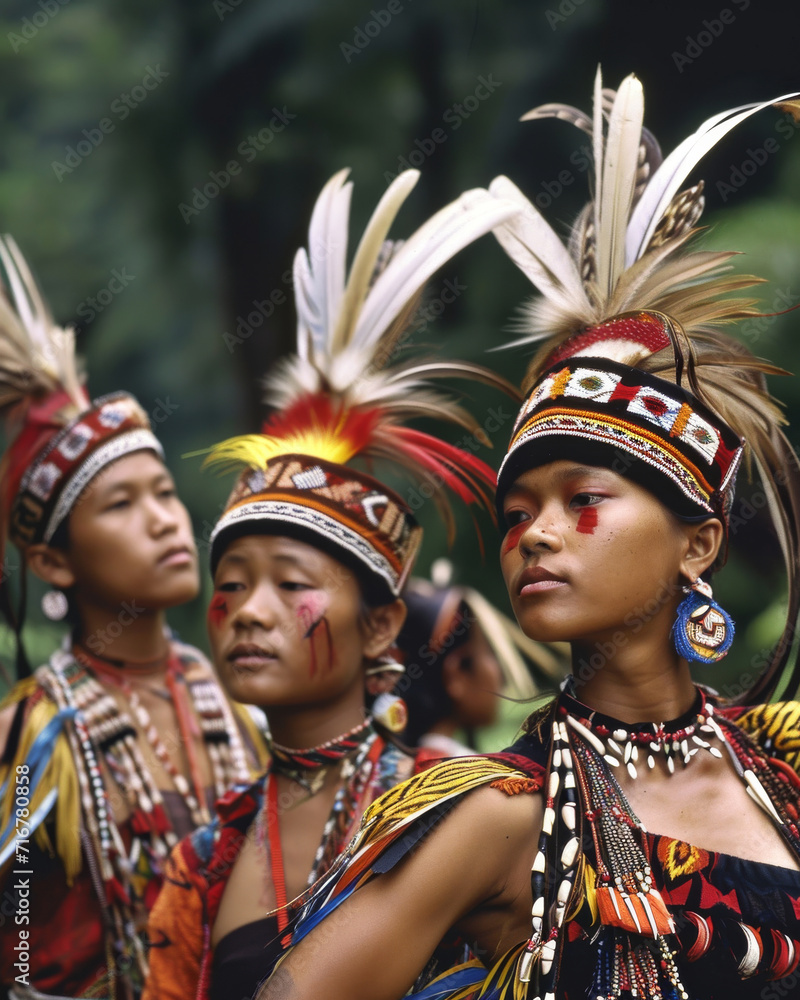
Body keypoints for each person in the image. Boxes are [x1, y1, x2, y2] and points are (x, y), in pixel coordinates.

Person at [253, 73, 800, 1000]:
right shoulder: (503, 813)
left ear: (698, 544)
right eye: (514, 517)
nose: (534, 537)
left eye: (582, 500)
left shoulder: (782, 771)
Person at [141, 167, 521, 1000]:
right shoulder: (201, 862)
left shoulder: (462, 805)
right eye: (232, 585)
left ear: (382, 627)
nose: (249, 611)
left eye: (289, 583)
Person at [0, 237, 268, 1000]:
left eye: (162, 491)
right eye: (121, 504)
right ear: (55, 563)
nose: (164, 521)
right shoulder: (28, 742)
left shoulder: (235, 698)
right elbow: (14, 946)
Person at [398, 571, 566, 756]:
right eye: (491, 653)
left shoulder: (386, 766)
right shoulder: (474, 778)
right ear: (458, 672)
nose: (500, 675)